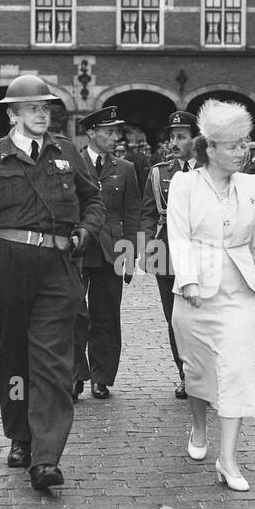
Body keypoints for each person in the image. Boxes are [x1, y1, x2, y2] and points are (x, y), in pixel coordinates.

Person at [0, 73, 105, 493]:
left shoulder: (67, 153)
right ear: (13, 113)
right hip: (8, 263)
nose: (42, 114)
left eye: (47, 107)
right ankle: (20, 434)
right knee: (15, 352)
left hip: (58, 264)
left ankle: (46, 457)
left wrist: (87, 231)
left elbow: (94, 201)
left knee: (54, 359)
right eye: (33, 108)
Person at [168, 99, 255, 492]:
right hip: (196, 292)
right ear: (210, 148)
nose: (241, 151)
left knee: (236, 371)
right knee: (198, 370)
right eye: (232, 145)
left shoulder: (252, 186)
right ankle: (199, 427)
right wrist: (189, 279)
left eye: (244, 143)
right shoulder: (185, 183)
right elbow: (178, 236)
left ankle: (227, 459)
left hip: (238, 294)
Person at [72, 106, 140, 400]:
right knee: (73, 314)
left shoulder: (125, 169)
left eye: (117, 132)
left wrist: (131, 255)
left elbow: (133, 213)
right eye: (109, 131)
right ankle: (75, 375)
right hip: (78, 249)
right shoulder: (72, 164)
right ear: (91, 133)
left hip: (112, 252)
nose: (115, 137)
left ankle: (101, 377)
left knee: (106, 316)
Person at [140, 110, 201, 400]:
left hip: (203, 253)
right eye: (172, 136)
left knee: (204, 317)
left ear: (196, 139)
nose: (174, 142)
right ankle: (185, 375)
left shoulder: (210, 170)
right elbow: (148, 213)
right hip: (166, 252)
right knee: (175, 318)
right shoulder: (160, 172)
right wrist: (145, 247)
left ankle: (206, 375)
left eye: (181, 136)